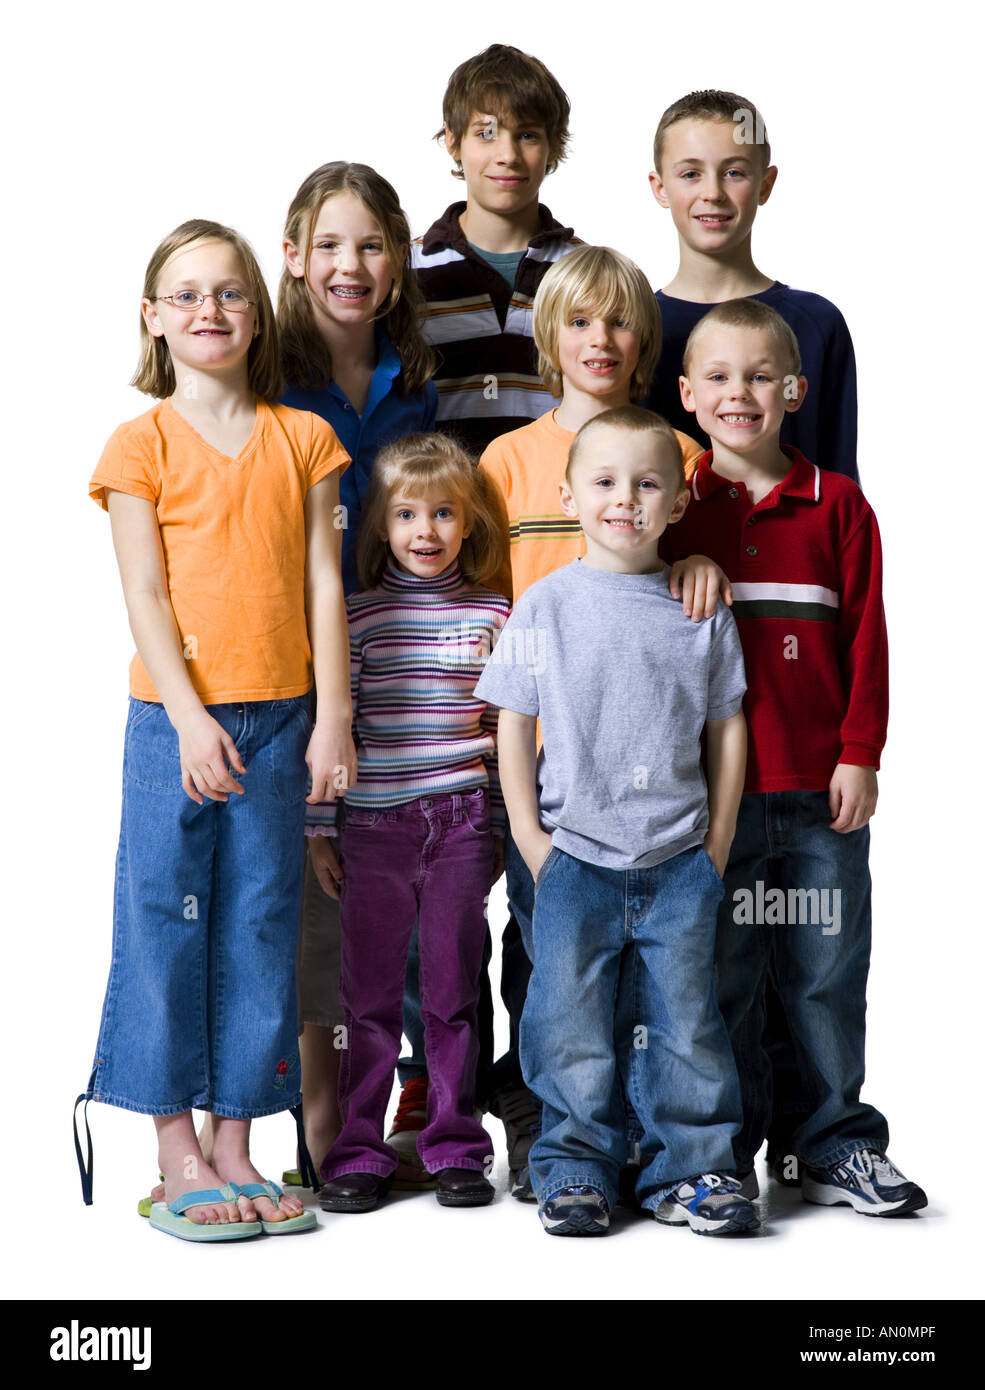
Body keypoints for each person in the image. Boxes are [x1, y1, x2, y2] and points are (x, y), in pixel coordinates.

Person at [75, 220, 355, 1241]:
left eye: (230, 292)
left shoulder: (303, 439)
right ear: (152, 318)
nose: (209, 311)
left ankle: (236, 1133)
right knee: (163, 917)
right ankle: (172, 1141)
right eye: (185, 295)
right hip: (174, 723)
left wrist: (334, 716)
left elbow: (326, 584)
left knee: (261, 923)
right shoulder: (138, 446)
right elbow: (144, 594)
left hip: (285, 720)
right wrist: (191, 719)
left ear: (257, 309)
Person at [660, 298, 926, 1215]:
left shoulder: (838, 506)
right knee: (721, 976)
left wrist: (860, 753)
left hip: (818, 794)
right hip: (713, 800)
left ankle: (833, 1143)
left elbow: (867, 641)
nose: (741, 394)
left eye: (761, 376)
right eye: (721, 378)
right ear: (687, 393)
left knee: (822, 971)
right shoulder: (669, 506)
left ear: (795, 391)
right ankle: (723, 1153)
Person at [476, 406, 759, 1237]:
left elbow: (726, 724)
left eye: (646, 485)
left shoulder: (697, 607)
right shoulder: (543, 606)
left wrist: (715, 846)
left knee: (687, 1026)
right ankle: (574, 1172)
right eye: (603, 483)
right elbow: (510, 720)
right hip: (572, 859)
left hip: (678, 858)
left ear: (677, 503)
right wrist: (531, 840)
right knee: (566, 1026)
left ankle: (693, 1172)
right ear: (567, 494)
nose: (623, 500)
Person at [477, 244, 718, 1197]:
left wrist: (707, 567)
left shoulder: (678, 454)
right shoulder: (508, 460)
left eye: (620, 323)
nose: (600, 340)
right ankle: (555, 1136)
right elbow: (487, 603)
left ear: (646, 342)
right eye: (579, 322)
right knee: (547, 958)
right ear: (548, 335)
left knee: (656, 970)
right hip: (545, 758)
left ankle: (646, 1139)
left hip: (651, 764)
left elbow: (686, 573)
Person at [399, 41, 581, 1176]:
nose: (504, 152)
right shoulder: (415, 275)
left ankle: (532, 1075)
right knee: (444, 845)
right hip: (442, 589)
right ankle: (439, 1069)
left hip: (555, 590)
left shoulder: (583, 271)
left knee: (540, 841)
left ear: (553, 148)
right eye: (483, 131)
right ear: (452, 142)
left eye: (526, 133)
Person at [277, 161, 437, 1188]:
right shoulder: (264, 379)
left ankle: (417, 1100)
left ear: (398, 263)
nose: (350, 264)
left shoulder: (414, 387)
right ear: (292, 257)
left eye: (371, 245)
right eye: (329, 244)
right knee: (312, 901)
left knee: (410, 889)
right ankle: (321, 1127)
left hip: (400, 667)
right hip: (292, 666)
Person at [310, 433, 510, 1213]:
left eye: (442, 515)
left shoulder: (495, 612)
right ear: (381, 529)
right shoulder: (359, 618)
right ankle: (358, 1150)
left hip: (460, 818)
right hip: (373, 824)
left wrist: (493, 824)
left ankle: (457, 1145)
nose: (424, 531)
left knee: (455, 990)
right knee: (366, 999)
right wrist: (320, 827)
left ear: (468, 525)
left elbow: (499, 732)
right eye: (405, 516)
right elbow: (336, 729)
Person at [642, 89, 859, 482]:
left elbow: (839, 479)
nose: (712, 193)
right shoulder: (631, 328)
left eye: (734, 172)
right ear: (660, 187)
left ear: (765, 183)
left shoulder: (817, 323)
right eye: (691, 174)